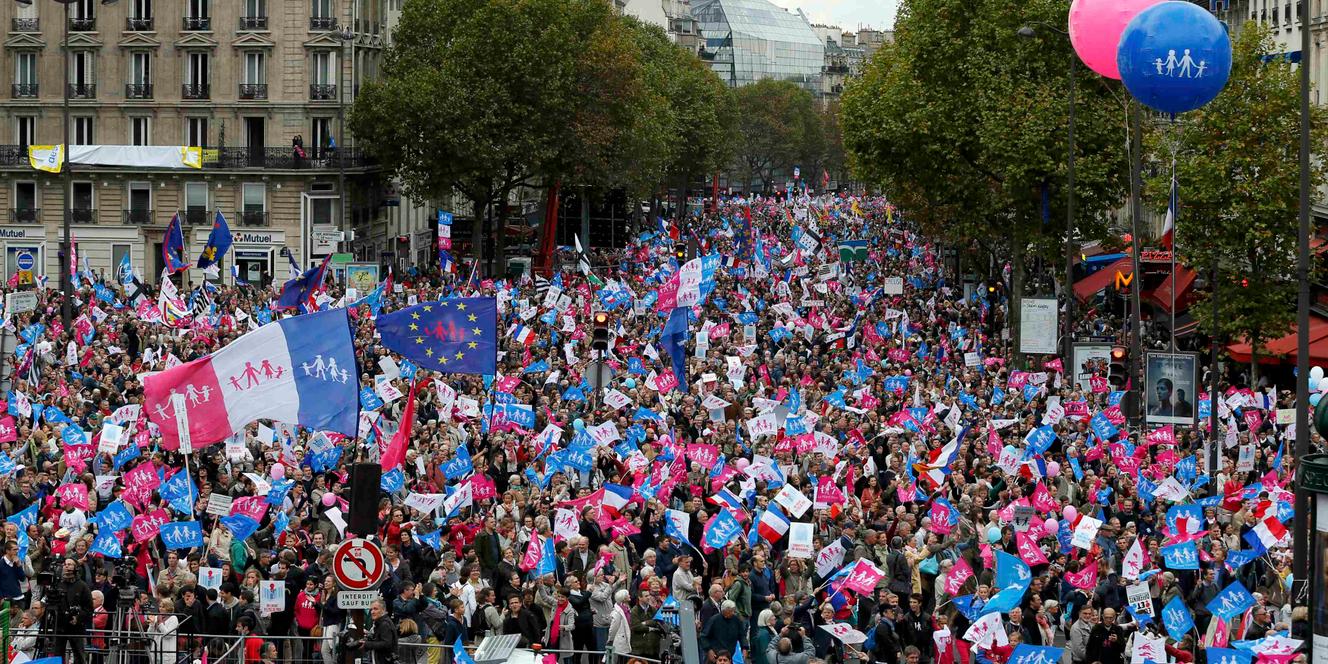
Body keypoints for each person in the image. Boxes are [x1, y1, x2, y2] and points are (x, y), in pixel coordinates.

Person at [51, 557, 93, 664]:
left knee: (79, 656)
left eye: (69, 564)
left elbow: (89, 609)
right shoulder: (57, 584)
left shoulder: (82, 586)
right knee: (57, 655)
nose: (66, 566)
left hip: (76, 627)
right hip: (59, 625)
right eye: (65, 564)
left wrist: (77, 618)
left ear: (76, 568)